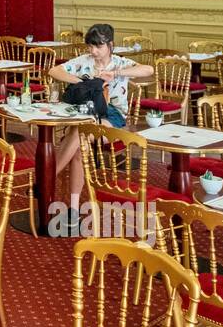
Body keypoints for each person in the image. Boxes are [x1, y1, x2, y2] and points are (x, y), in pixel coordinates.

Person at [50, 24, 153, 235]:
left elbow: (148, 69)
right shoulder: (84, 62)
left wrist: (116, 73)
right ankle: (73, 209)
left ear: (110, 45)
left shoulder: (121, 63)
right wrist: (82, 81)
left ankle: (47, 178)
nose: (93, 51)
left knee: (80, 132)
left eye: (98, 47)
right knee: (80, 146)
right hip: (85, 113)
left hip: (112, 116)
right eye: (91, 46)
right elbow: (54, 71)